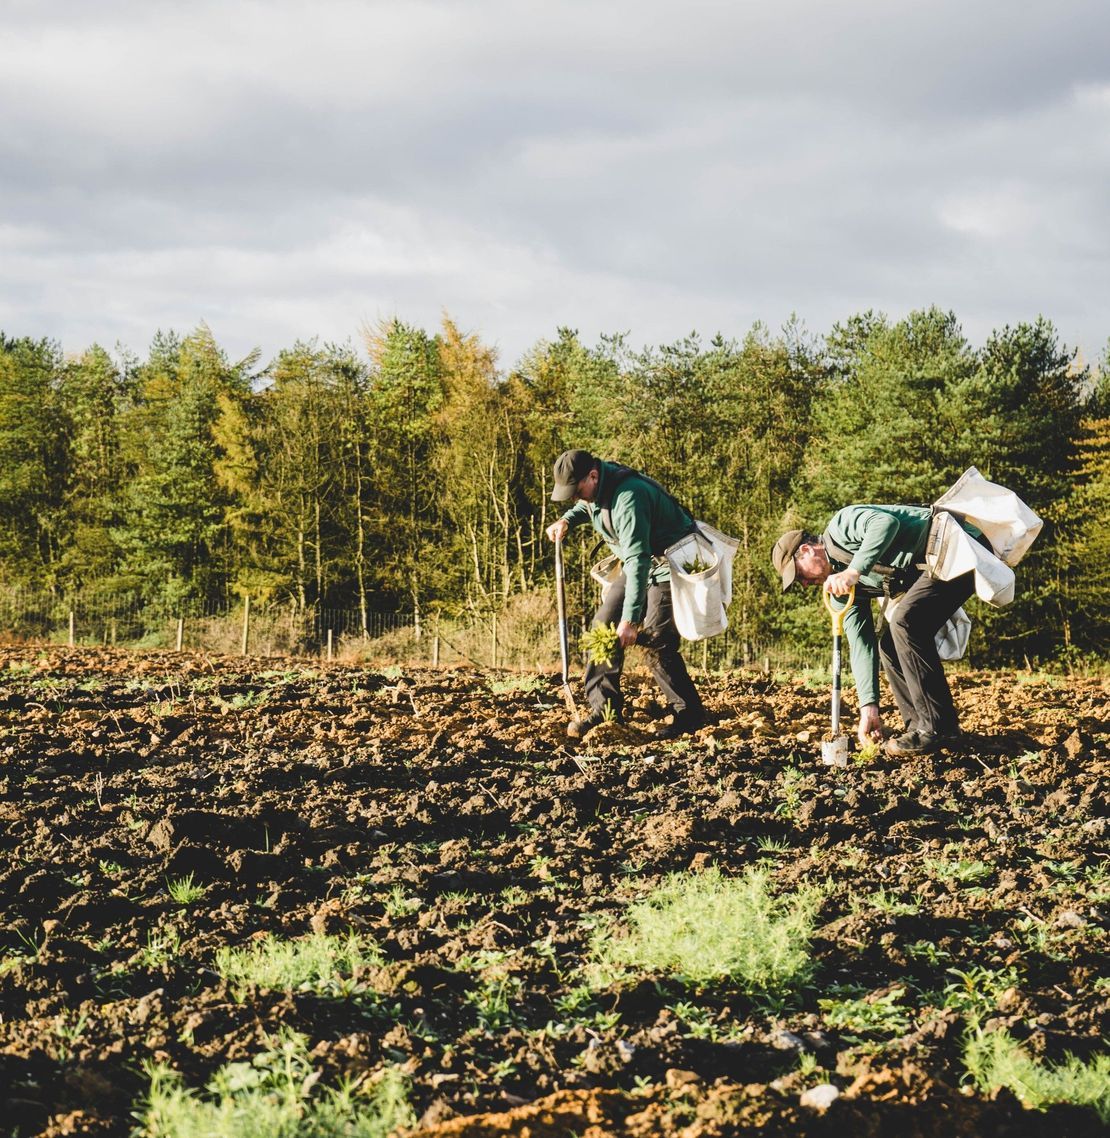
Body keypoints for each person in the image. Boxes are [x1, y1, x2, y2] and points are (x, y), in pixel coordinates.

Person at [771, 504, 988, 757]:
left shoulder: (842, 526)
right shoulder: (841, 590)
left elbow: (886, 524)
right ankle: (919, 728)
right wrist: (869, 708)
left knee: (906, 623)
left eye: (799, 575)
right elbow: (861, 644)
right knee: (890, 645)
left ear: (806, 550)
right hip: (934, 566)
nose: (805, 584)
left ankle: (936, 728)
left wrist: (855, 570)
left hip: (955, 543)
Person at [545, 449, 705, 741]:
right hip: (638, 562)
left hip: (668, 564)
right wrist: (567, 519)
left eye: (575, 492)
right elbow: (587, 508)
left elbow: (638, 559)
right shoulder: (596, 489)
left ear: (592, 476)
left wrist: (630, 619)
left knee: (658, 641)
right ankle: (605, 710)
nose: (574, 498)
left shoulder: (628, 497)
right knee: (603, 626)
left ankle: (689, 714)